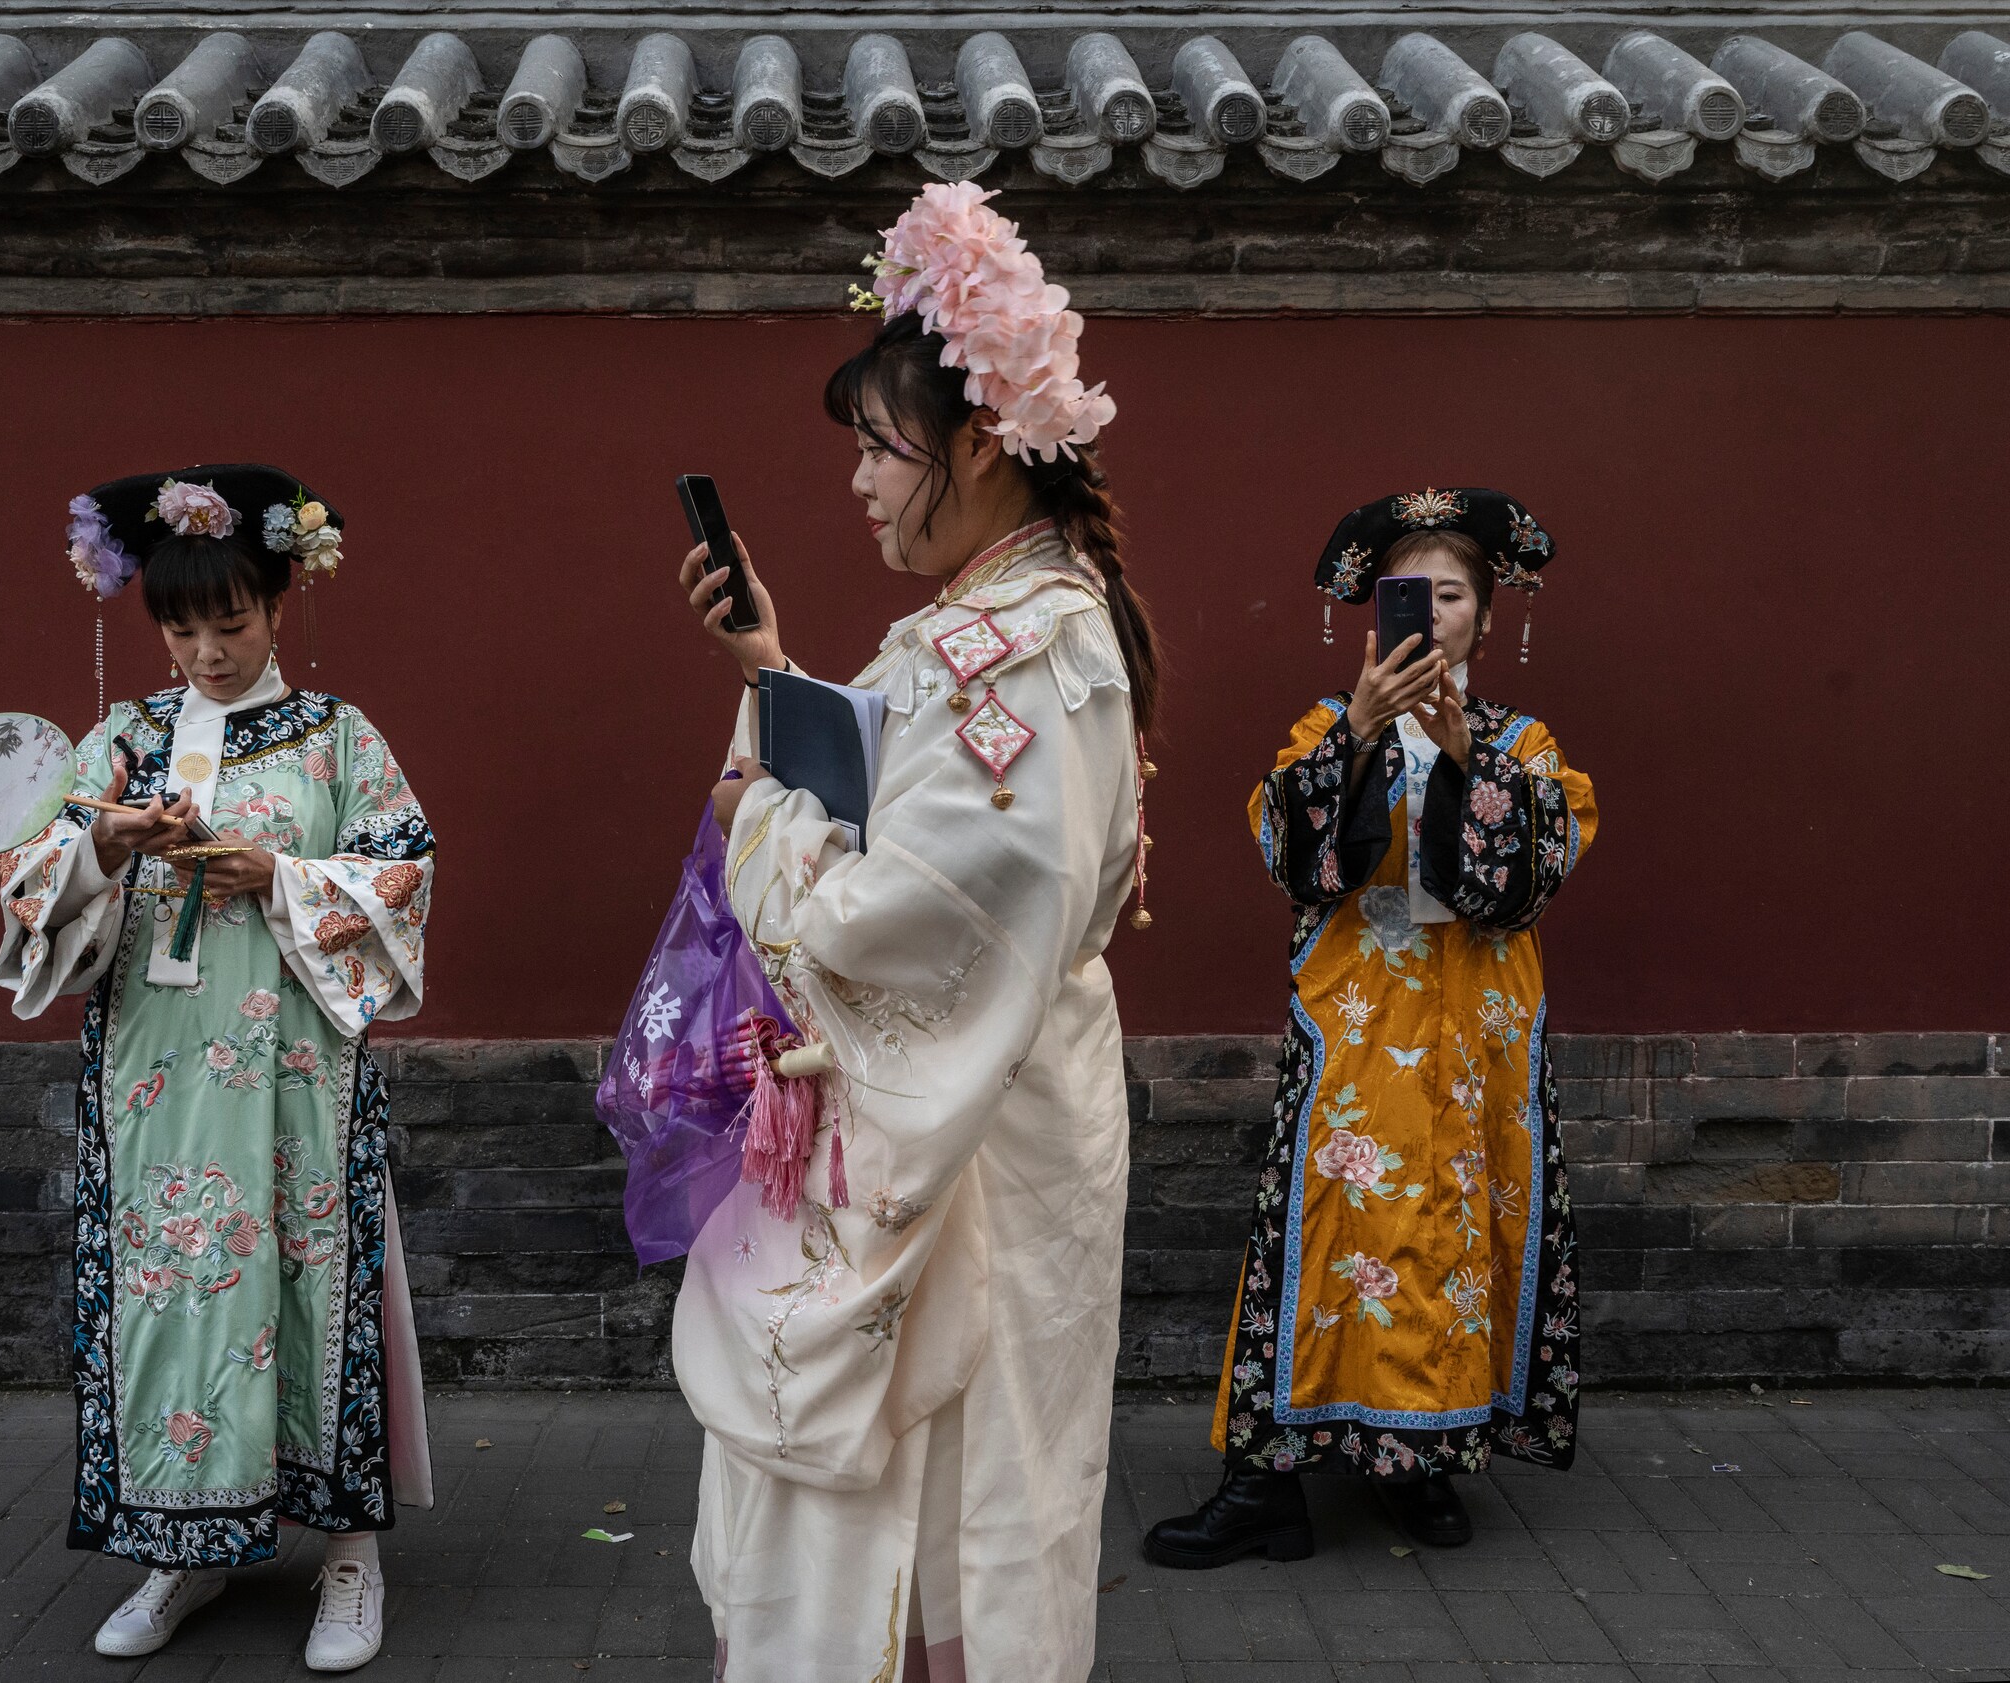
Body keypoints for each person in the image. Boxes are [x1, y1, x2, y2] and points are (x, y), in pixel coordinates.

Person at [668, 183, 1158, 1683]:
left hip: (971, 1142)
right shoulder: (1001, 622)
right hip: (981, 1101)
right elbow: (918, 823)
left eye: (882, 448)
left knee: (945, 1482)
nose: (861, 484)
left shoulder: (1021, 646)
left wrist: (758, 817)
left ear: (983, 442)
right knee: (951, 1480)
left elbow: (910, 919)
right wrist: (769, 671)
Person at [0, 464, 435, 1670]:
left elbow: (402, 868)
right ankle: (179, 1546)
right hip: (154, 1073)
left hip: (295, 1070)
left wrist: (277, 875)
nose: (206, 652)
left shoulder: (338, 737)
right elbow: (27, 879)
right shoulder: (123, 740)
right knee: (168, 1295)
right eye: (181, 630)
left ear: (278, 605)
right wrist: (102, 844)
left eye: (230, 623)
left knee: (311, 1286)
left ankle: (349, 1558)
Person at [1144, 488, 1597, 1569]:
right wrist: (1358, 730)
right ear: (1373, 612)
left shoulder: (1523, 743)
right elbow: (1289, 854)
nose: (1432, 613)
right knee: (1326, 1230)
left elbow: (1531, 878)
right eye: (1410, 594)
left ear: (1487, 616)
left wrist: (1466, 759)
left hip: (1476, 1030)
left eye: (1453, 595)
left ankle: (1423, 1461)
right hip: (1356, 1022)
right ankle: (1264, 1481)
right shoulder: (1325, 728)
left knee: (1453, 1233)